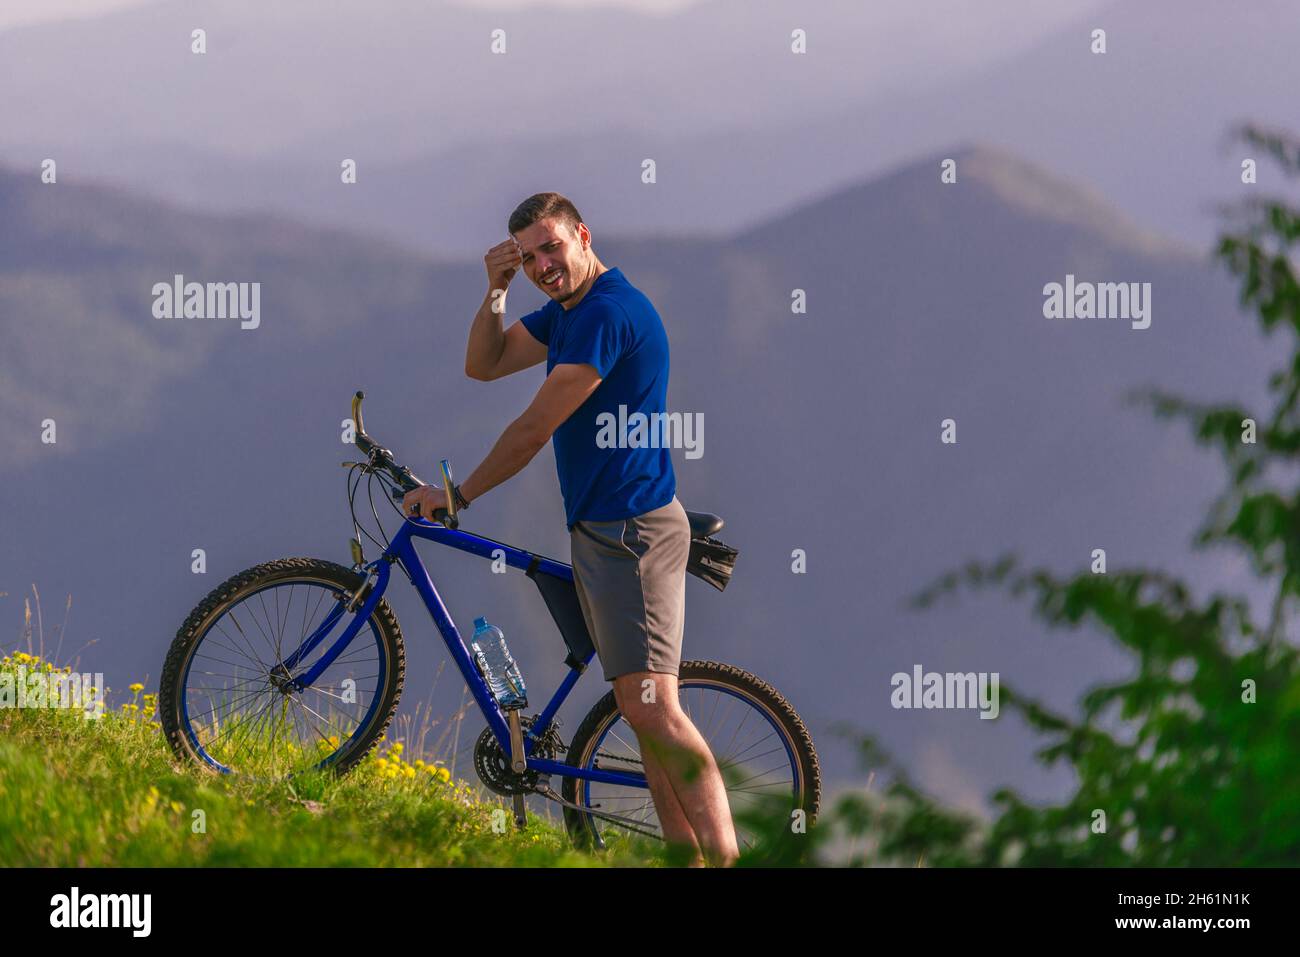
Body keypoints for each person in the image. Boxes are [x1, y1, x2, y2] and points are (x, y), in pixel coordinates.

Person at [402, 192, 739, 867]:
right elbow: (485, 362)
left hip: (632, 533)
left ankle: (725, 857)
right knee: (642, 713)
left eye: (551, 246)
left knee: (655, 711)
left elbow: (532, 429)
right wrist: (494, 292)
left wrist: (456, 494)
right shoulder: (570, 311)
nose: (543, 265)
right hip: (605, 529)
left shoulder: (605, 315)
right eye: (527, 258)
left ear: (582, 235)